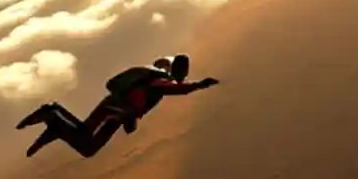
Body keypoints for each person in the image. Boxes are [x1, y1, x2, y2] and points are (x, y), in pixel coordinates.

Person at [16, 54, 218, 158]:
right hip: (118, 110)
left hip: (113, 105)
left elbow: (163, 62)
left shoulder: (156, 73)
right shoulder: (161, 82)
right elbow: (176, 89)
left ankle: (55, 119)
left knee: (84, 134)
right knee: (88, 147)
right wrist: (198, 85)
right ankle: (53, 116)